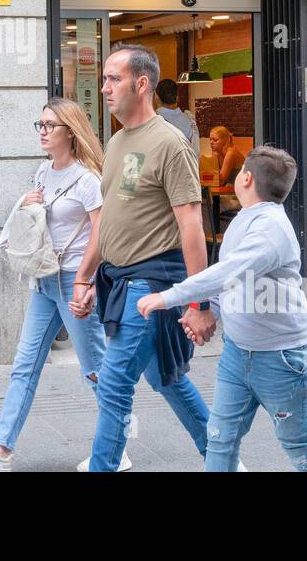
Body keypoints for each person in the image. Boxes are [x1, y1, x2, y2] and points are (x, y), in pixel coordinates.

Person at [70, 43, 224, 472]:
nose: (103, 88)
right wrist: (85, 277)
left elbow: (192, 226)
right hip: (119, 281)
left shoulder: (170, 144)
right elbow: (114, 217)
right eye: (103, 79)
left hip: (151, 282)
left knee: (115, 382)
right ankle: (222, 457)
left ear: (142, 84)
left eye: (112, 79)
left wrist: (199, 304)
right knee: (165, 376)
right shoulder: (119, 141)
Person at [137, 146, 307, 471]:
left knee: (300, 446)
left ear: (246, 178)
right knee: (220, 439)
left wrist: (169, 297)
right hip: (237, 355)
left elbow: (230, 271)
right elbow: (232, 277)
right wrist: (207, 311)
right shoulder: (245, 219)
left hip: (282, 361)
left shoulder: (271, 230)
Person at [0, 97, 117, 473]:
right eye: (40, 125)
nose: (42, 132)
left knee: (95, 370)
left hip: (74, 281)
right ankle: (0, 451)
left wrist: (86, 281)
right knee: (24, 365)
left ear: (70, 132)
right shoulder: (44, 173)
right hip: (44, 280)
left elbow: (101, 233)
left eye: (50, 126)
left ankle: (116, 443)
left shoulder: (88, 179)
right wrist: (27, 202)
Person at [156, 78, 195, 143]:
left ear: (157, 97)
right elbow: (195, 149)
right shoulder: (189, 118)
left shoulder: (152, 121)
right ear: (177, 97)